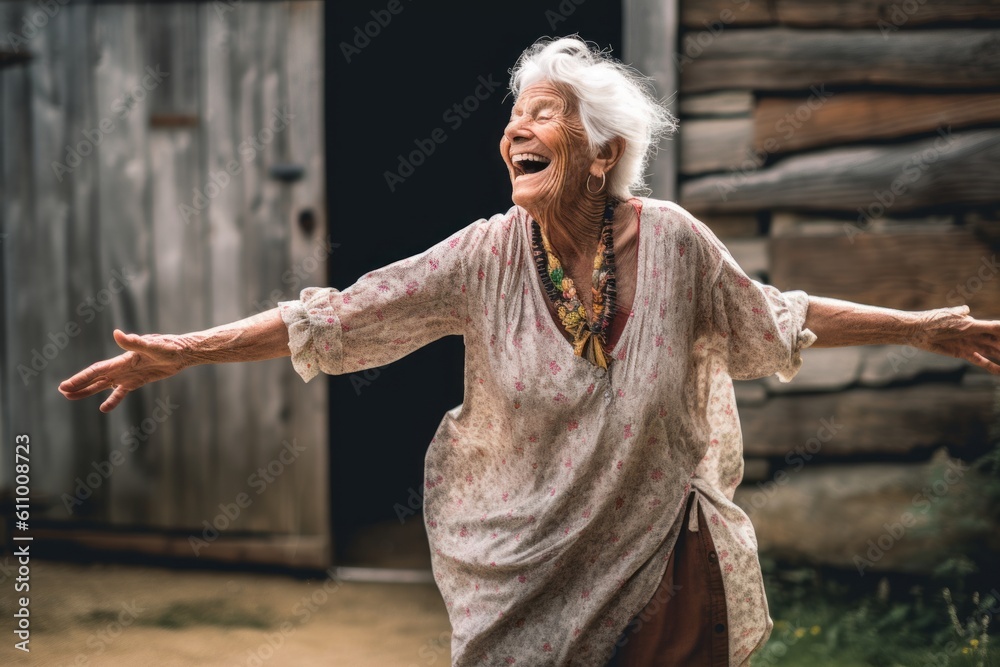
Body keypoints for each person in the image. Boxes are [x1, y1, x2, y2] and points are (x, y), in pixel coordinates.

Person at [59, 36, 1000, 667]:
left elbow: (780, 316)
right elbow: (337, 317)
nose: (515, 127)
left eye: (544, 114)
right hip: (530, 567)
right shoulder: (482, 257)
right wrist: (180, 350)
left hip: (659, 565)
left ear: (602, 153)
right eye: (514, 116)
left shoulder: (674, 242)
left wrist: (927, 327)